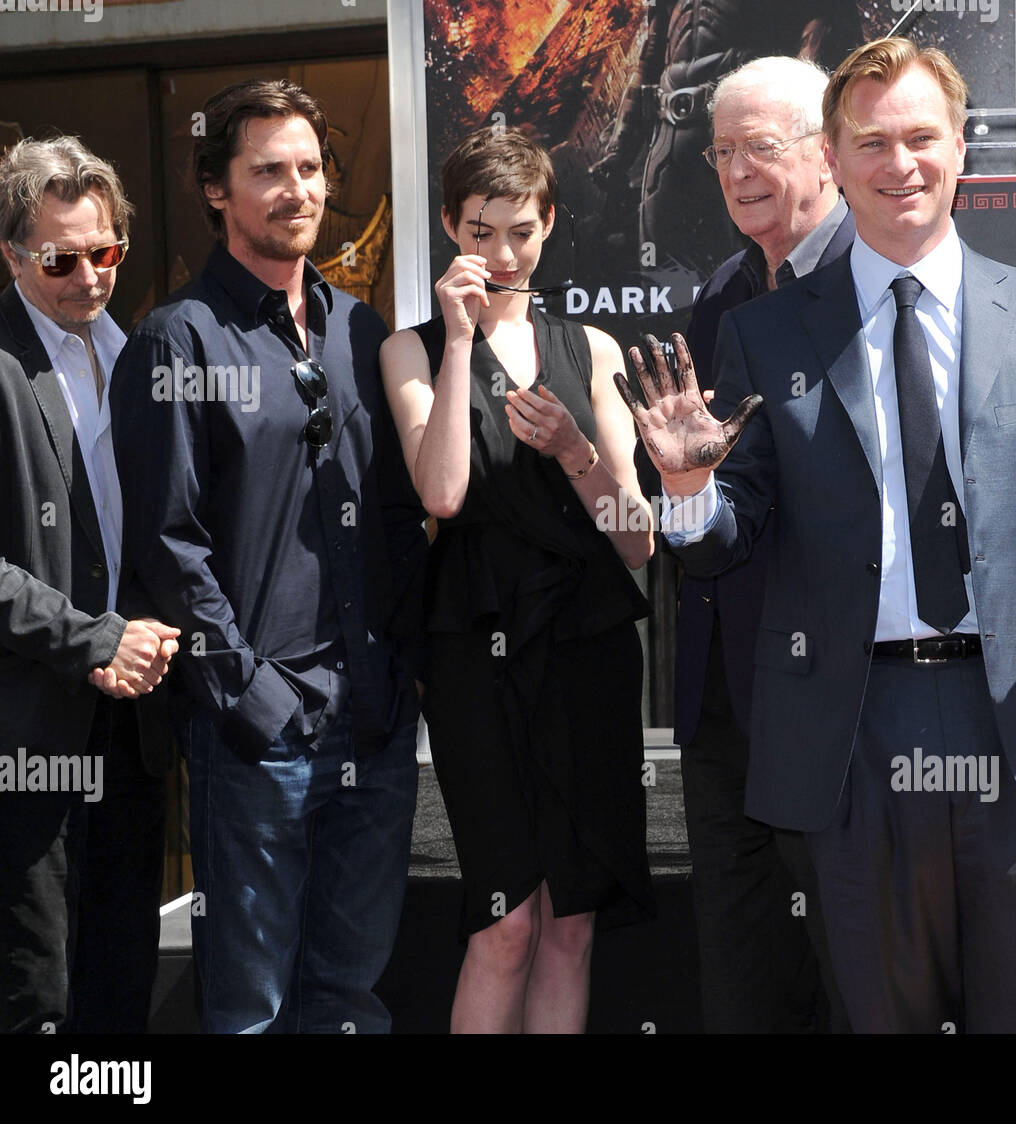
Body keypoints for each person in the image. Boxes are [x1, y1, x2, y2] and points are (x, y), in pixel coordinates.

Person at [619, 37, 1016, 1032]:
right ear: (832, 159)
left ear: (962, 148)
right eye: (871, 142)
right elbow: (723, 541)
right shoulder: (770, 331)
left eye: (921, 136)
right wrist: (688, 486)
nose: (899, 163)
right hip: (848, 729)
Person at [111, 79, 428, 1033]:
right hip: (258, 734)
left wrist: (398, 677)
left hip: (372, 723)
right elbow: (167, 549)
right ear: (216, 190)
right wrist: (252, 697)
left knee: (349, 998)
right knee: (252, 1009)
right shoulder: (177, 340)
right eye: (267, 172)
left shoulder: (361, 331)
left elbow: (400, 518)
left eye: (310, 168)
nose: (298, 189)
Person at [380, 127, 655, 1034]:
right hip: (477, 663)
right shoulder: (412, 351)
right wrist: (461, 345)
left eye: (521, 232)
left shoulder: (596, 348)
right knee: (506, 921)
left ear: (549, 227)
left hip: (589, 653)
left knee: (571, 922)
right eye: (479, 231)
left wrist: (577, 452)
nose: (501, 254)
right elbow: (444, 491)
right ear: (451, 230)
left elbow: (636, 542)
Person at [673, 55, 854, 1033]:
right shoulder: (718, 296)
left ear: (825, 154)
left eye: (762, 147)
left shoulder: (879, 287)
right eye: (722, 152)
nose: (739, 170)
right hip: (723, 699)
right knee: (743, 984)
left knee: (859, 971)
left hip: (840, 699)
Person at [0, 135, 180, 1033]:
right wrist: (95, 639)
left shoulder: (141, 355)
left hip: (134, 727)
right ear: (10, 254)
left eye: (104, 252)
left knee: (121, 985)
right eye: (58, 258)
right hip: (27, 735)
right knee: (39, 997)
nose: (87, 275)